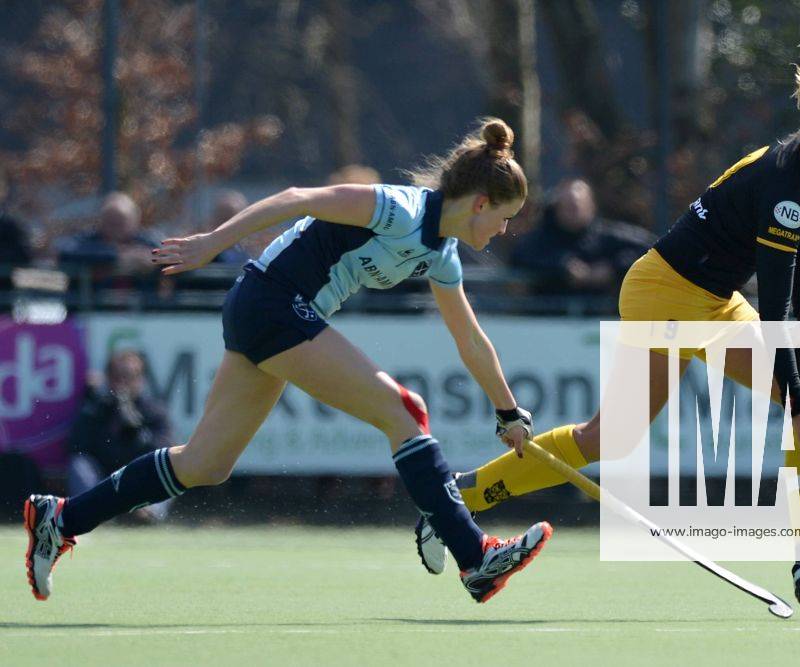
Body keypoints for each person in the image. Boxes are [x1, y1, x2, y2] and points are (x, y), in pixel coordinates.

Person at [416, 42, 800, 608]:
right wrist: (793, 380)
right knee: (793, 402)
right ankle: (457, 502)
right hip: (665, 297)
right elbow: (773, 306)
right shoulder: (785, 187)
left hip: (711, 300)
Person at [24, 118, 552, 604]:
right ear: (480, 203)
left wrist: (508, 413)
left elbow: (471, 339)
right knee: (405, 413)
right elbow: (299, 198)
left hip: (273, 312)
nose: (504, 232)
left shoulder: (442, 253)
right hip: (272, 301)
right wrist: (213, 242)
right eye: (506, 218)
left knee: (205, 464)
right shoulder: (398, 208)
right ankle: (475, 557)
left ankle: (63, 517)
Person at [66, 350, 174, 523]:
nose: (123, 382)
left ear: (141, 379)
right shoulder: (96, 408)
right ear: (108, 378)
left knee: (170, 466)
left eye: (130, 376)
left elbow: (166, 448)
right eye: (117, 376)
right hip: (104, 481)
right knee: (79, 465)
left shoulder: (154, 410)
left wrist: (137, 433)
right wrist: (94, 408)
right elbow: (77, 447)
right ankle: (95, 512)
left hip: (140, 481)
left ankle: (148, 513)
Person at [510, 178, 655, 296]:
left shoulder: (607, 235)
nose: (573, 212)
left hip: (603, 320)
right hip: (550, 321)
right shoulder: (542, 238)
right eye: (568, 207)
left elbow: (649, 249)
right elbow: (519, 257)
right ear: (557, 209)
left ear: (591, 206)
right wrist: (563, 266)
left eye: (578, 206)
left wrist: (611, 269)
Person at [54, 192, 159, 288]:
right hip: (92, 305)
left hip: (143, 306)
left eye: (120, 223)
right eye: (111, 223)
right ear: (101, 221)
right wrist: (117, 256)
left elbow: (165, 254)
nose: (115, 229)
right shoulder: (86, 240)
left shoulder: (145, 241)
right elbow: (65, 252)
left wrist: (150, 259)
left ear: (135, 222)